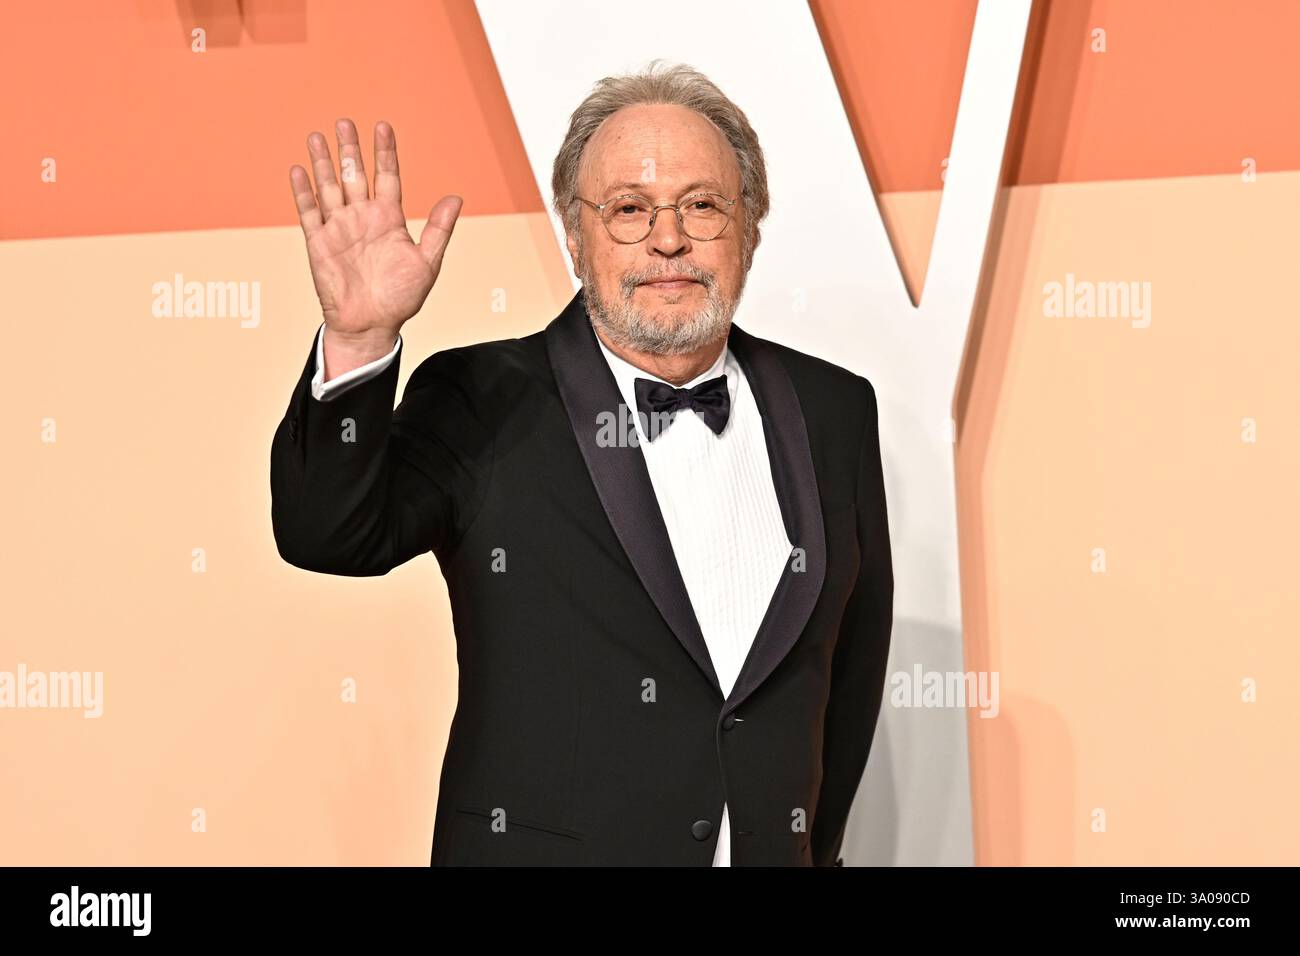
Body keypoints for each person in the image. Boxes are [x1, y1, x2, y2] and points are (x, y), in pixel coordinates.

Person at [271, 61, 893, 866]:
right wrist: (358, 343)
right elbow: (327, 534)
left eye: (703, 205)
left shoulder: (835, 408)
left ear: (750, 227)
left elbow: (850, 671)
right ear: (574, 236)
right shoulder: (484, 394)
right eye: (628, 209)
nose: (668, 238)